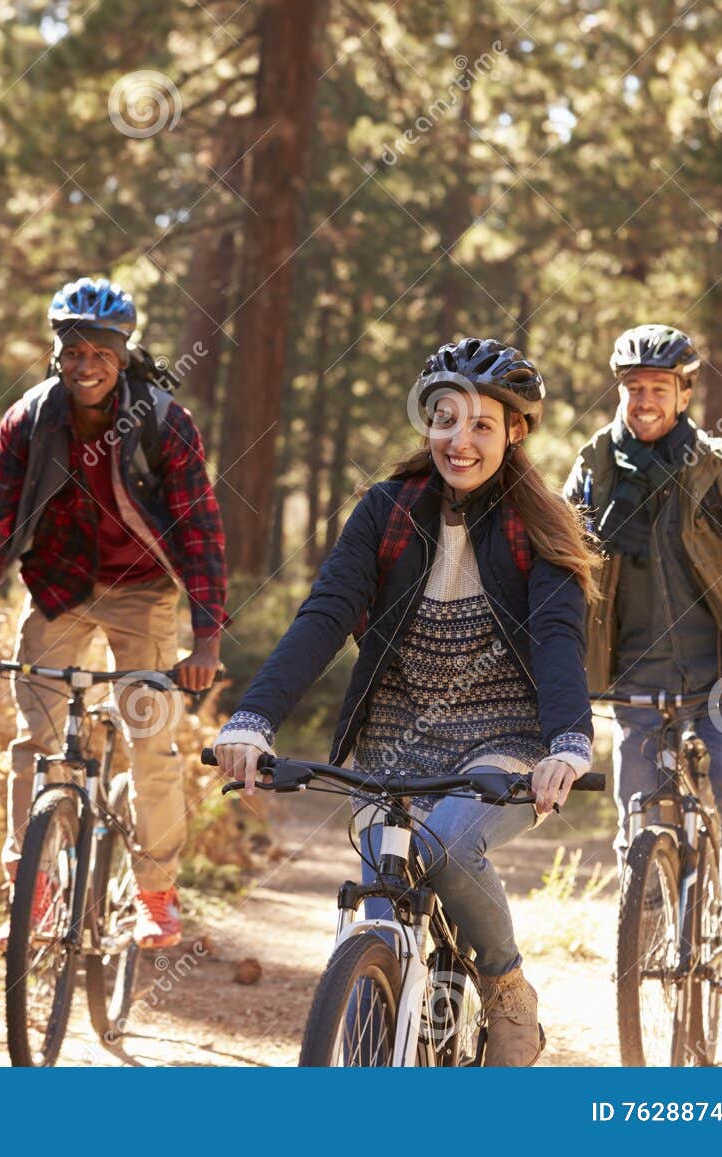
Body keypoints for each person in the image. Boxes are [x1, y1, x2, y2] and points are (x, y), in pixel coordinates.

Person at [214, 338, 599, 1066]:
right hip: (391, 739)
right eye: (446, 419)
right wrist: (254, 717)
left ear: (514, 432)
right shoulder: (387, 510)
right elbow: (326, 613)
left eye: (482, 424)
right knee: (384, 899)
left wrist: (567, 742)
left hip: (503, 737)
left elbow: (556, 633)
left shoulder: (537, 524)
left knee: (448, 847)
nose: (461, 440)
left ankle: (507, 985)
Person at [0, 277, 228, 952]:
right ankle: (32, 895)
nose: (86, 362)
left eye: (101, 349)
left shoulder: (163, 421)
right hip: (60, 586)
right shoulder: (30, 420)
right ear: (56, 351)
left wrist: (206, 638)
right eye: (73, 348)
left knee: (149, 736)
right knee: (36, 739)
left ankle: (156, 895)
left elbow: (200, 530)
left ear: (123, 354)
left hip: (143, 587)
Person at [562, 323, 722, 994]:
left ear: (683, 393)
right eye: (633, 387)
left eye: (658, 388)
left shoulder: (716, 465)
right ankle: (642, 916)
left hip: (721, 674)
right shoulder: (593, 467)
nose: (644, 400)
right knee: (635, 809)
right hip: (635, 675)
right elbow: (556, 564)